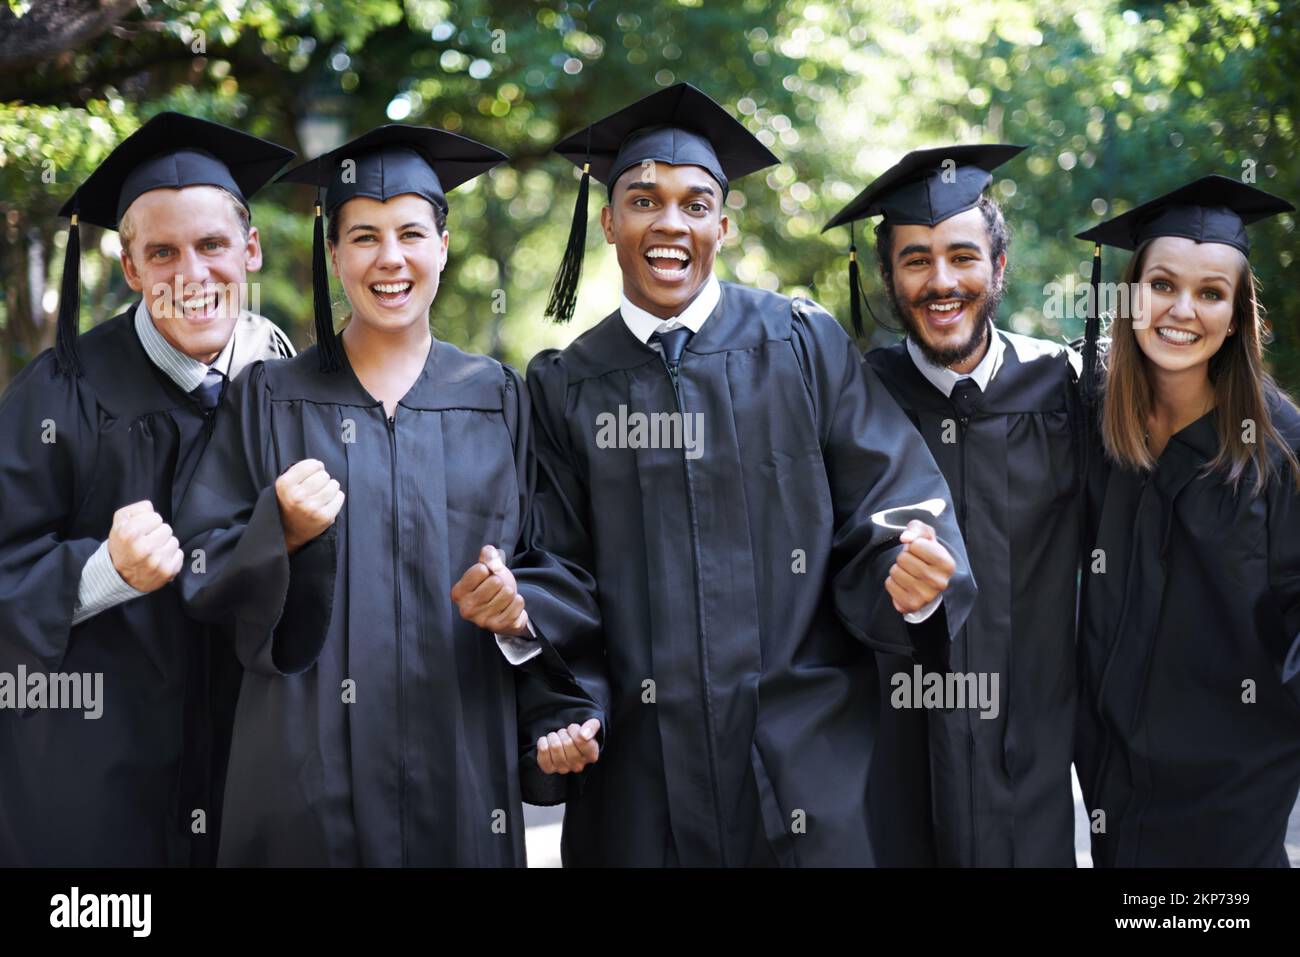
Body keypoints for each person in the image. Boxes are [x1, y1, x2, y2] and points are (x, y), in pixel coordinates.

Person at [514, 83, 976, 866]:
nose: (670, 222)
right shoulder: (565, 383)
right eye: (643, 200)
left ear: (722, 226)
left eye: (696, 204)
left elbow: (888, 501)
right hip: (642, 774)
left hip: (801, 760)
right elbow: (559, 568)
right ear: (608, 221)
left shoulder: (800, 345)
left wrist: (911, 571)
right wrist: (568, 707)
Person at [175, 125, 602, 866]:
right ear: (333, 253)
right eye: (364, 236)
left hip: (458, 762)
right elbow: (200, 564)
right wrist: (278, 530)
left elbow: (553, 562)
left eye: (410, 232)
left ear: (443, 243)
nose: (390, 258)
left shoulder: (497, 397)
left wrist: (516, 604)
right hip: (303, 778)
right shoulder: (268, 396)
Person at [0, 112, 296, 866]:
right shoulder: (60, 395)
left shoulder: (292, 387)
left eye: (212, 245)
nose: (191, 276)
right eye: (161, 253)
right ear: (129, 268)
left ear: (250, 249)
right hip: (98, 773)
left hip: (254, 764)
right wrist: (103, 572)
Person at [826, 145, 1081, 867]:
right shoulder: (851, 401)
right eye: (916, 260)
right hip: (892, 752)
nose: (942, 281)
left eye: (962, 257)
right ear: (887, 276)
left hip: (1028, 754)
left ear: (998, 268)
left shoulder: (1068, 389)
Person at [1075, 173, 1300, 866]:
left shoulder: (1282, 447)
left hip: (1228, 809)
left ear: (1235, 316)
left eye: (1210, 293)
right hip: (1112, 793)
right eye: (1162, 284)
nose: (1182, 309)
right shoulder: (1095, 423)